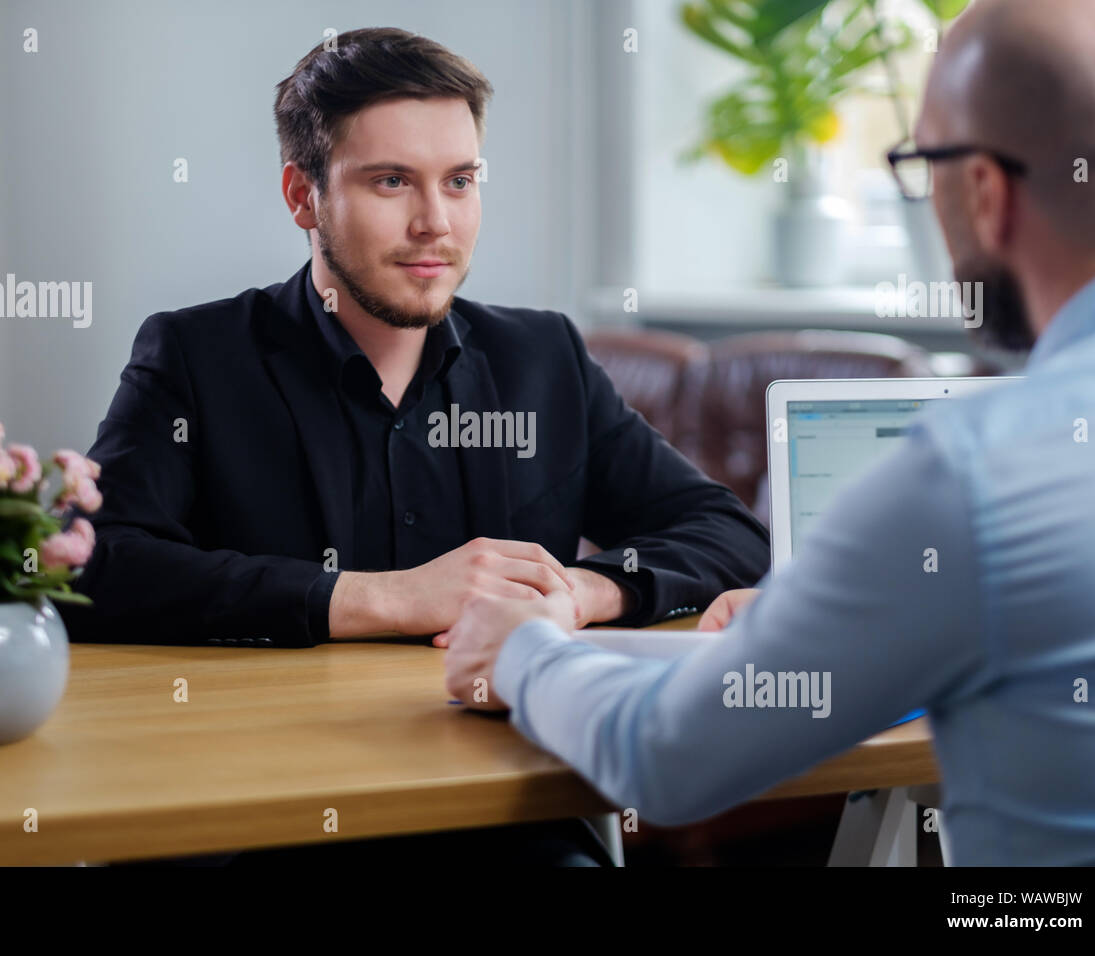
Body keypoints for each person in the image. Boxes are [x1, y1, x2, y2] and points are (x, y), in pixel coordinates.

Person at [444, 0, 1095, 866]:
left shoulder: (979, 476)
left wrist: (523, 651)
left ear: (988, 193)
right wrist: (828, 622)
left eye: (923, 166)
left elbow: (667, 760)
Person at [68, 26, 770, 866]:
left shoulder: (542, 358)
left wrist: (581, 594)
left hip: (503, 812)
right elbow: (95, 566)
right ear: (304, 196)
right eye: (391, 181)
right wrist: (389, 598)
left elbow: (726, 533)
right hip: (262, 810)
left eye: (461, 181)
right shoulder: (196, 355)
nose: (435, 223)